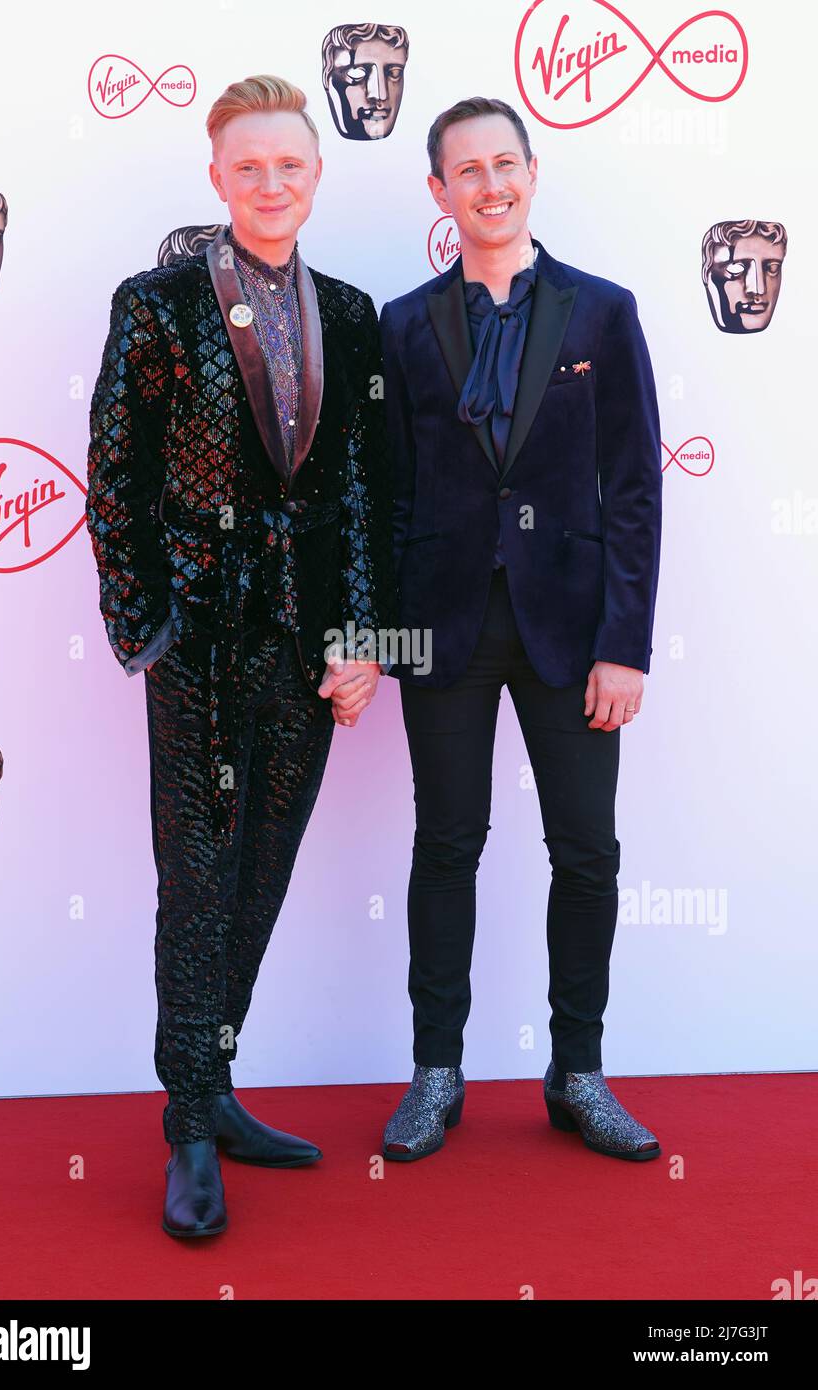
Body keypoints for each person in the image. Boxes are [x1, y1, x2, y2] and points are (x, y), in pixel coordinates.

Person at [86, 74, 397, 1236]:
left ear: (317, 177)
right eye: (249, 165)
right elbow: (113, 475)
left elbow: (364, 486)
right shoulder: (157, 301)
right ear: (216, 177)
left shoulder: (353, 315)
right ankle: (187, 1131)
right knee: (199, 883)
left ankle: (215, 1089)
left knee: (260, 873)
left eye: (291, 165)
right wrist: (147, 628)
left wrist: (362, 637)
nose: (271, 182)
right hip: (199, 648)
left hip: (308, 648)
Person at [379, 96, 663, 1163]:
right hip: (440, 629)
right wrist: (379, 637)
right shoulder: (405, 325)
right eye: (468, 170)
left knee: (586, 851)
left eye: (507, 163)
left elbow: (634, 487)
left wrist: (626, 641)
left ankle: (577, 1071)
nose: (490, 185)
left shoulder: (601, 311)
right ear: (439, 191)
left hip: (575, 628)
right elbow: (387, 494)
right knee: (445, 845)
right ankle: (436, 1074)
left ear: (532, 173)